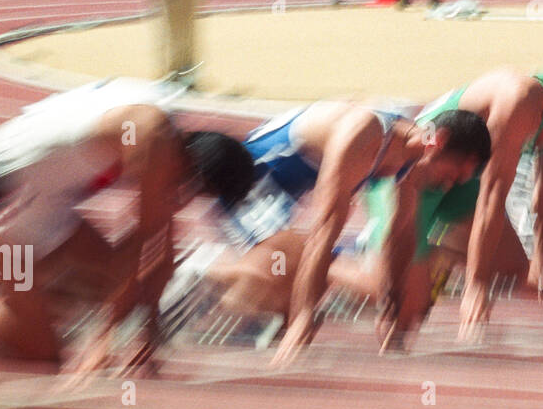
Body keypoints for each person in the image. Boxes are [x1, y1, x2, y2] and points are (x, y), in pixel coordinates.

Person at [0, 80, 254, 405]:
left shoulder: (160, 129)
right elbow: (147, 242)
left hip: (43, 194)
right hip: (10, 201)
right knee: (43, 352)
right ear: (194, 170)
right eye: (198, 193)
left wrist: (147, 327)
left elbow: (161, 243)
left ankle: (7, 306)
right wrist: (104, 336)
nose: (188, 201)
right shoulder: (151, 137)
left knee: (103, 285)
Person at [188, 101, 493, 361]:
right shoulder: (364, 135)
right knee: (282, 267)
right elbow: (324, 229)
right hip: (252, 176)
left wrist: (390, 311)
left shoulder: (412, 162)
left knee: (308, 272)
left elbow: (401, 237)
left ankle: (251, 300)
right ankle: (201, 273)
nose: (448, 184)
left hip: (290, 190)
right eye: (453, 174)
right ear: (437, 141)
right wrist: (302, 317)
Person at [379, 70, 543, 341]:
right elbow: (492, 196)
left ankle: (442, 258)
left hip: (465, 178)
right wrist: (476, 285)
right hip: (426, 168)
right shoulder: (522, 103)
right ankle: (342, 265)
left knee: (523, 273)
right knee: (405, 306)